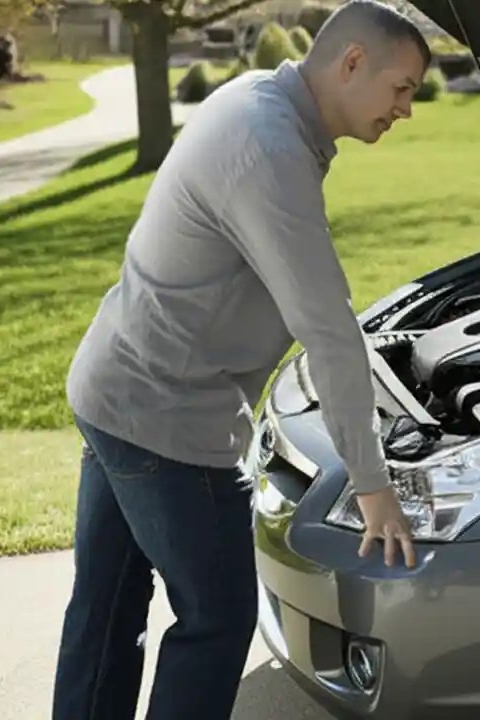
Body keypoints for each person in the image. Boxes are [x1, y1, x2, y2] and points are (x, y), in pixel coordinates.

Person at [51, 1, 431, 718]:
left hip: (114, 388)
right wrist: (375, 486)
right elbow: (326, 327)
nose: (405, 108)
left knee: (105, 611)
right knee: (218, 618)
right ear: (352, 63)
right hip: (165, 419)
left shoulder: (257, 101)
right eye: (403, 88)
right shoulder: (270, 147)